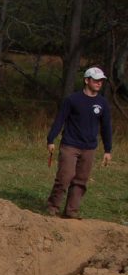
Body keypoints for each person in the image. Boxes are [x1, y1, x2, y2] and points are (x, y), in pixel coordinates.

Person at [46, 66, 113, 219]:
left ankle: (71, 211)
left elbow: (106, 127)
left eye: (101, 81)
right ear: (86, 80)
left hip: (89, 148)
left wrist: (108, 150)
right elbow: (60, 120)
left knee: (81, 180)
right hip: (70, 145)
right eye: (96, 80)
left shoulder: (102, 103)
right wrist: (51, 139)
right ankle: (53, 206)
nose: (99, 83)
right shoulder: (72, 100)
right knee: (65, 177)